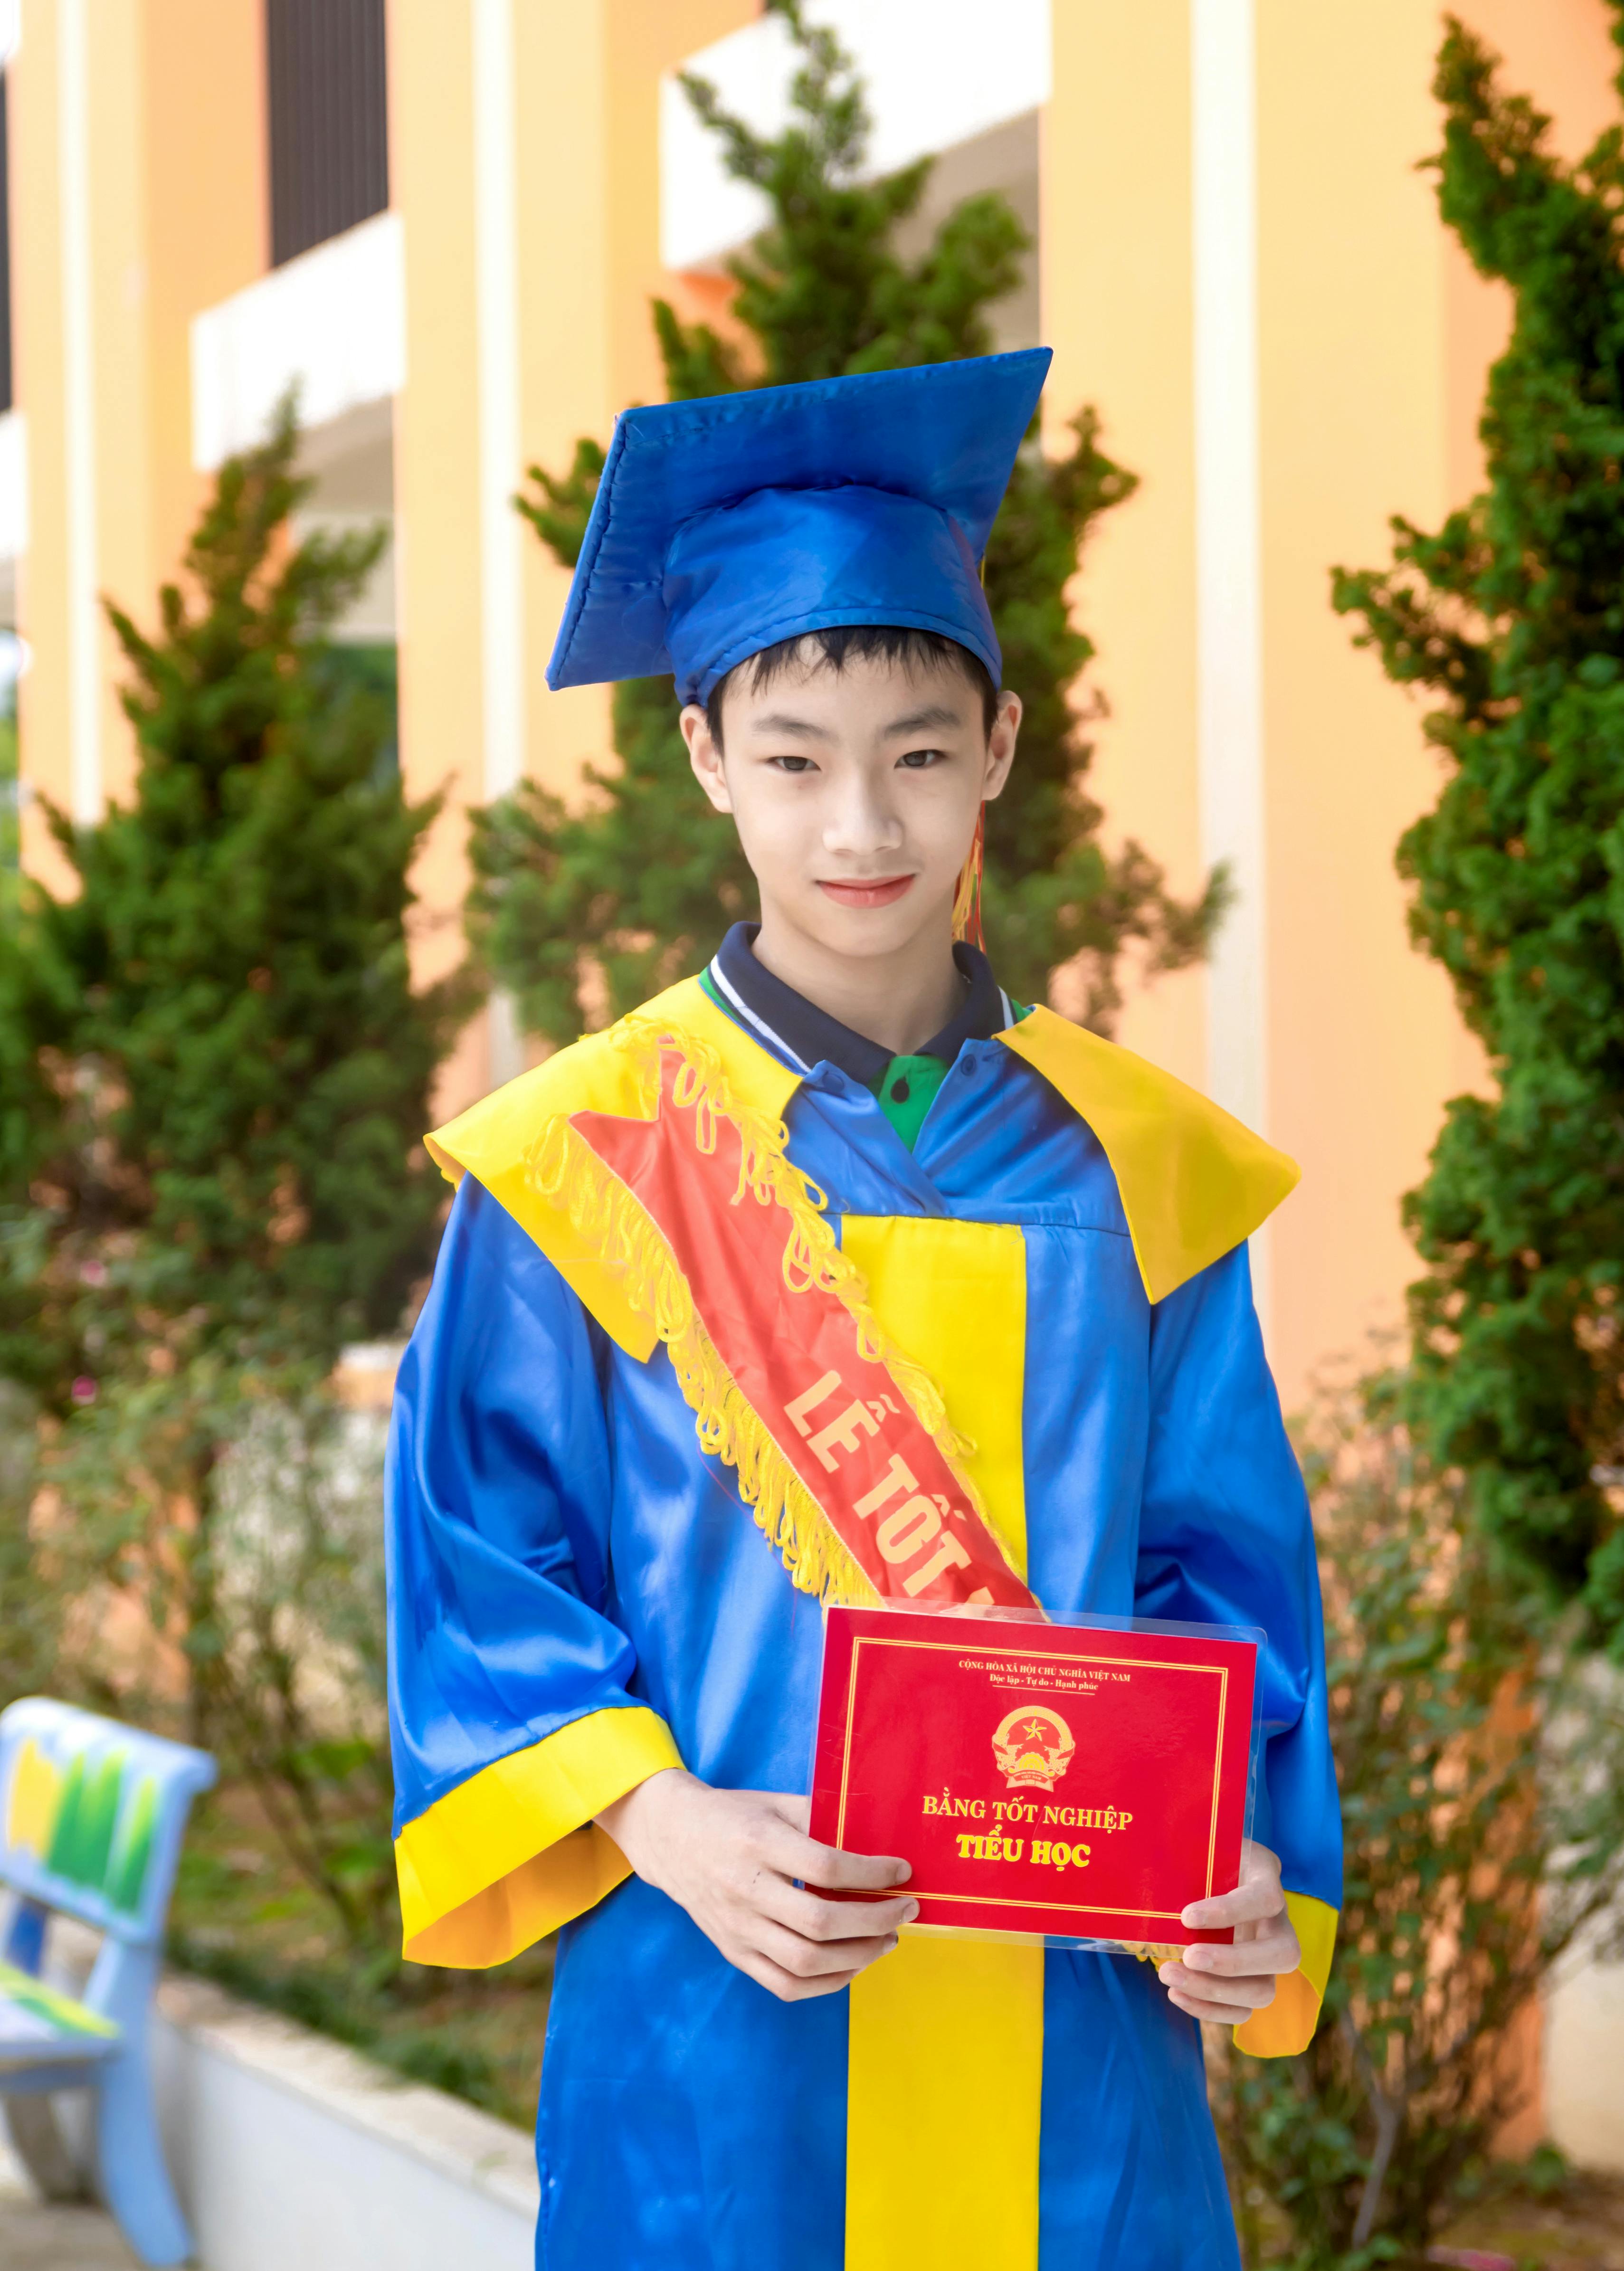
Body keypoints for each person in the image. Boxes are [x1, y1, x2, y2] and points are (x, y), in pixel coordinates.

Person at [386, 348, 1342, 2271]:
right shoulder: (581, 1161)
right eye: (799, 756)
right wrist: (657, 1819)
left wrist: (1240, 1872)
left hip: (1080, 2028)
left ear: (997, 745)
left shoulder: (1138, 1169)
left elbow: (1225, 1575)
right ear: (706, 756)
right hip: (730, 2011)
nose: (862, 825)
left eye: (916, 752)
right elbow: (483, 1567)